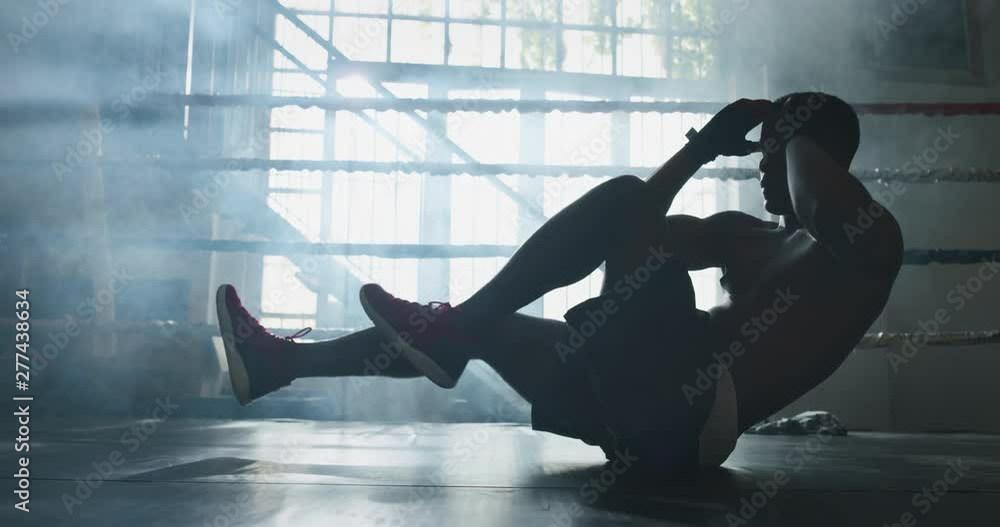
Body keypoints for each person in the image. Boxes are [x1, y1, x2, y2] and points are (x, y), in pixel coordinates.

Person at [215, 92, 903, 476]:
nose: (759, 159)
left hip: (690, 415)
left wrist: (798, 129)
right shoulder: (742, 233)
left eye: (773, 145)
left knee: (619, 202)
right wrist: (699, 148)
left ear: (809, 151)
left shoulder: (870, 240)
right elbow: (638, 228)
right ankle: (280, 363)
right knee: (487, 327)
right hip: (631, 406)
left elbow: (817, 201)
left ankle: (448, 328)